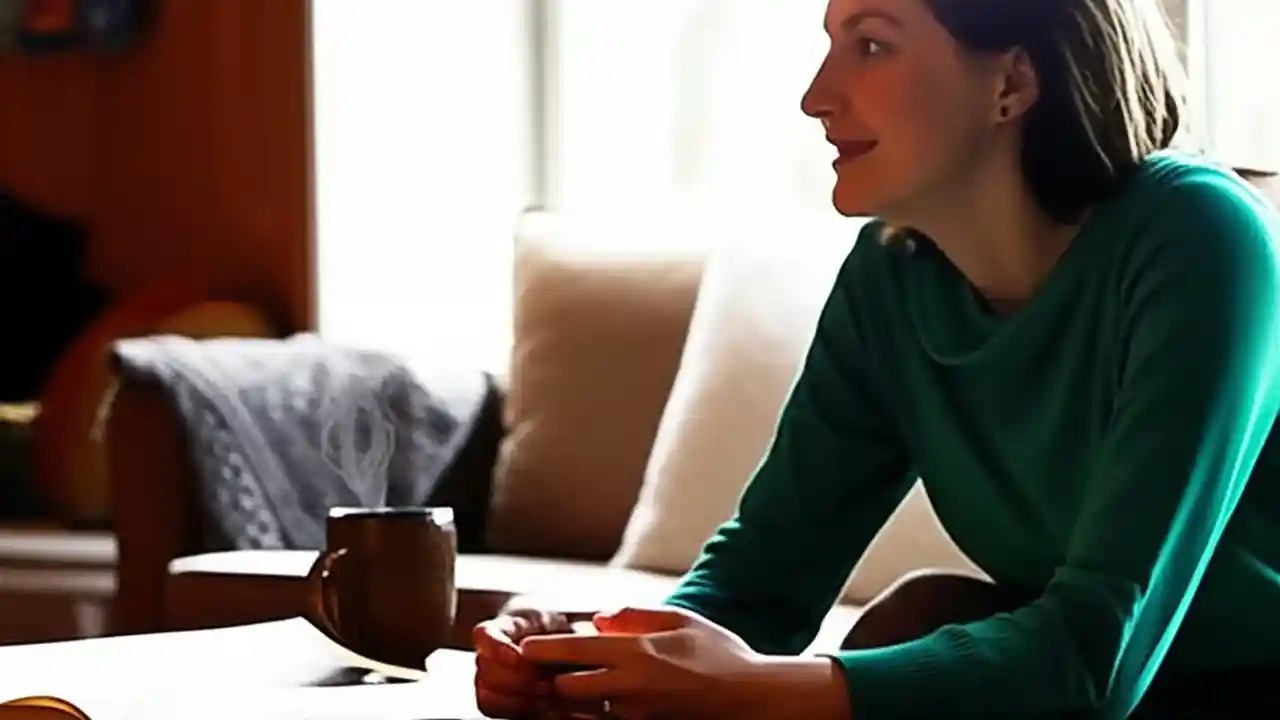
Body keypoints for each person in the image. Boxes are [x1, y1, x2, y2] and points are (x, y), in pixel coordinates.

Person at [474, 0, 1280, 716]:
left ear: (1013, 82)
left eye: (870, 46)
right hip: (1094, 685)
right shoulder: (892, 277)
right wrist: (596, 654)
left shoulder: (1201, 238)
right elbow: (760, 582)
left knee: (916, 626)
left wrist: (754, 688)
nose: (816, 97)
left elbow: (1094, 655)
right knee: (925, 613)